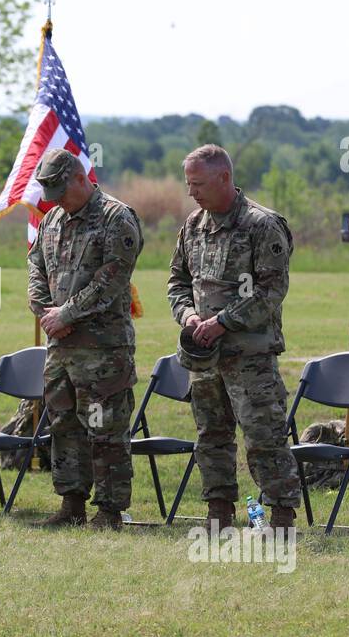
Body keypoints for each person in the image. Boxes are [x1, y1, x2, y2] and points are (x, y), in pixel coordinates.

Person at [167, 144, 301, 530]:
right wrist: (189, 315)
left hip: (249, 356)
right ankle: (219, 512)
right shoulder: (193, 226)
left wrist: (224, 322)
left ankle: (280, 516)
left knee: (264, 436)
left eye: (199, 183)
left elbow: (272, 290)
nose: (192, 191)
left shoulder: (262, 226)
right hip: (203, 357)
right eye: (189, 184)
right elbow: (177, 282)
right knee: (211, 436)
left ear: (225, 178)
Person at [27, 148, 143, 530]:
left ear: (82, 178)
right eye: (51, 194)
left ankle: (109, 510)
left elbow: (112, 278)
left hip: (103, 349)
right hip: (61, 347)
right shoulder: (53, 220)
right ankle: (71, 503)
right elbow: (36, 266)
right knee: (64, 424)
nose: (57, 200)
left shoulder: (116, 218)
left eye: (62, 191)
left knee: (105, 426)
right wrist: (44, 309)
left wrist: (68, 314)